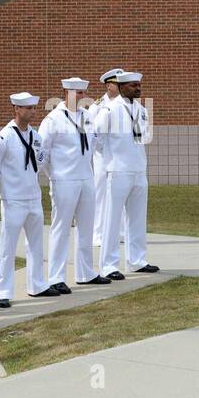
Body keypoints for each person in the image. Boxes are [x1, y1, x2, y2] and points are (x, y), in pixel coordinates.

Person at [40, 77, 109, 293]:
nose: (81, 97)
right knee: (61, 228)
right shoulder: (53, 119)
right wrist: (55, 176)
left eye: (83, 93)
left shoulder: (88, 117)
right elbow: (42, 153)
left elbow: (96, 143)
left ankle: (86, 272)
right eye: (77, 93)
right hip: (64, 180)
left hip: (86, 178)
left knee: (86, 227)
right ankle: (56, 277)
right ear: (66, 93)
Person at [0, 92, 52, 306]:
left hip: (33, 197)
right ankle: (2, 291)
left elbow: (41, 160)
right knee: (8, 246)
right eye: (29, 109)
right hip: (13, 199)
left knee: (36, 244)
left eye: (34, 108)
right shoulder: (4, 137)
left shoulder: (35, 136)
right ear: (17, 109)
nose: (33, 112)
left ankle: (37, 284)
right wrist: (7, 184)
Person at [93, 71, 159, 279]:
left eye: (139, 85)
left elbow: (143, 136)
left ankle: (137, 260)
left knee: (137, 218)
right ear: (121, 87)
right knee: (112, 218)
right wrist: (111, 159)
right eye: (133, 85)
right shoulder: (109, 110)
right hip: (118, 170)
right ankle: (109, 265)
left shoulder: (141, 109)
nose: (138, 88)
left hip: (138, 169)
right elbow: (97, 139)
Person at [89, 68, 126, 247]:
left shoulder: (125, 104)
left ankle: (119, 232)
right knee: (100, 194)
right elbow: (90, 131)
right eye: (116, 83)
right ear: (108, 85)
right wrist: (102, 149)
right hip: (102, 158)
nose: (119, 86)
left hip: (119, 157)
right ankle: (97, 234)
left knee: (120, 193)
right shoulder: (97, 105)